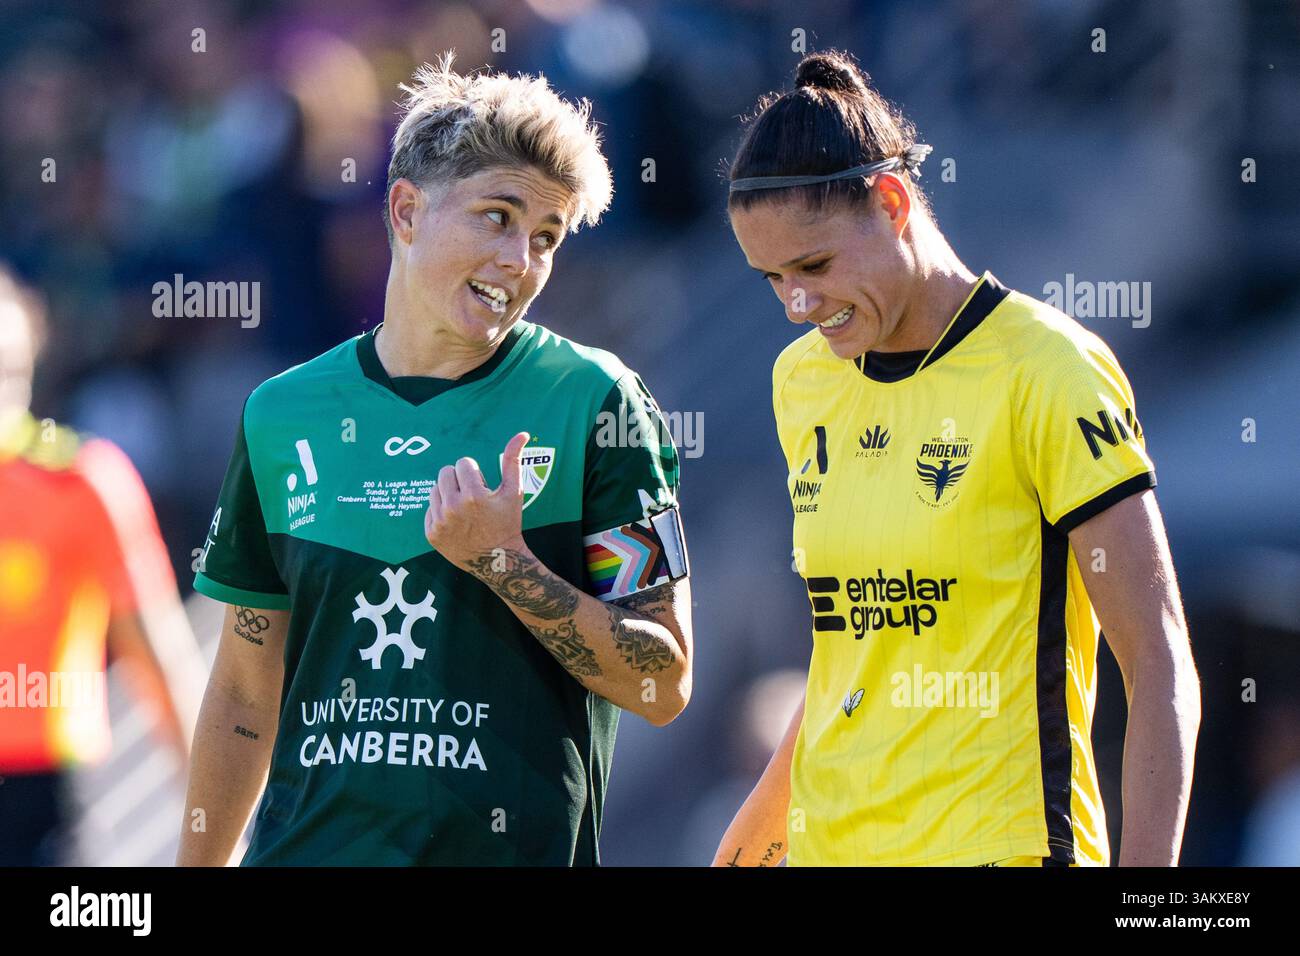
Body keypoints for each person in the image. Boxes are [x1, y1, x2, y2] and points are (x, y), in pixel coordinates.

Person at [177, 56, 693, 867]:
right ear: (407, 211)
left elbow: (663, 680)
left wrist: (504, 562)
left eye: (546, 238)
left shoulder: (597, 404)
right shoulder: (281, 414)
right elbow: (244, 689)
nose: (520, 261)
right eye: (497, 216)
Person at [712, 51, 1199, 867]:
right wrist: (746, 848)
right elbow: (849, 658)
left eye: (814, 266)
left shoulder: (1049, 369)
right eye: (771, 279)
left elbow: (1158, 663)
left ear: (893, 202)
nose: (796, 305)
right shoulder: (801, 382)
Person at [0, 266, 201, 866]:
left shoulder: (82, 482)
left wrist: (216, 821)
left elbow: (161, 659)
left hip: (41, 792)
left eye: (8, 369)